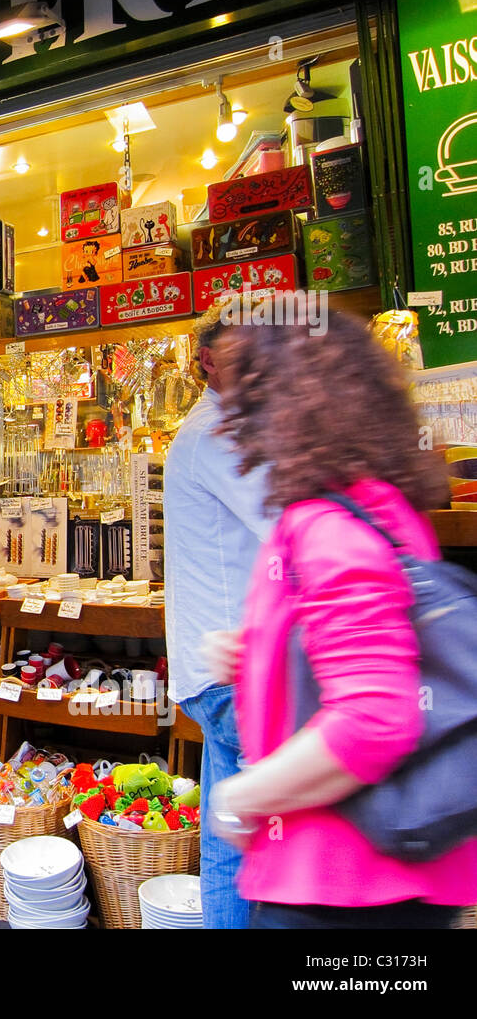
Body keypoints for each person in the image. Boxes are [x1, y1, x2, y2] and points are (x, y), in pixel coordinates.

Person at [209, 310, 477, 929]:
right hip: (399, 877)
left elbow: (374, 716)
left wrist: (238, 797)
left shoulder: (326, 529)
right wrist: (261, 652)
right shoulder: (387, 511)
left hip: (337, 883)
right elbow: (381, 645)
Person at [163, 305, 272, 929]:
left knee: (230, 845)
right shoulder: (219, 433)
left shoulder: (224, 429)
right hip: (239, 673)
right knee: (273, 845)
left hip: (223, 668)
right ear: (208, 361)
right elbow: (295, 522)